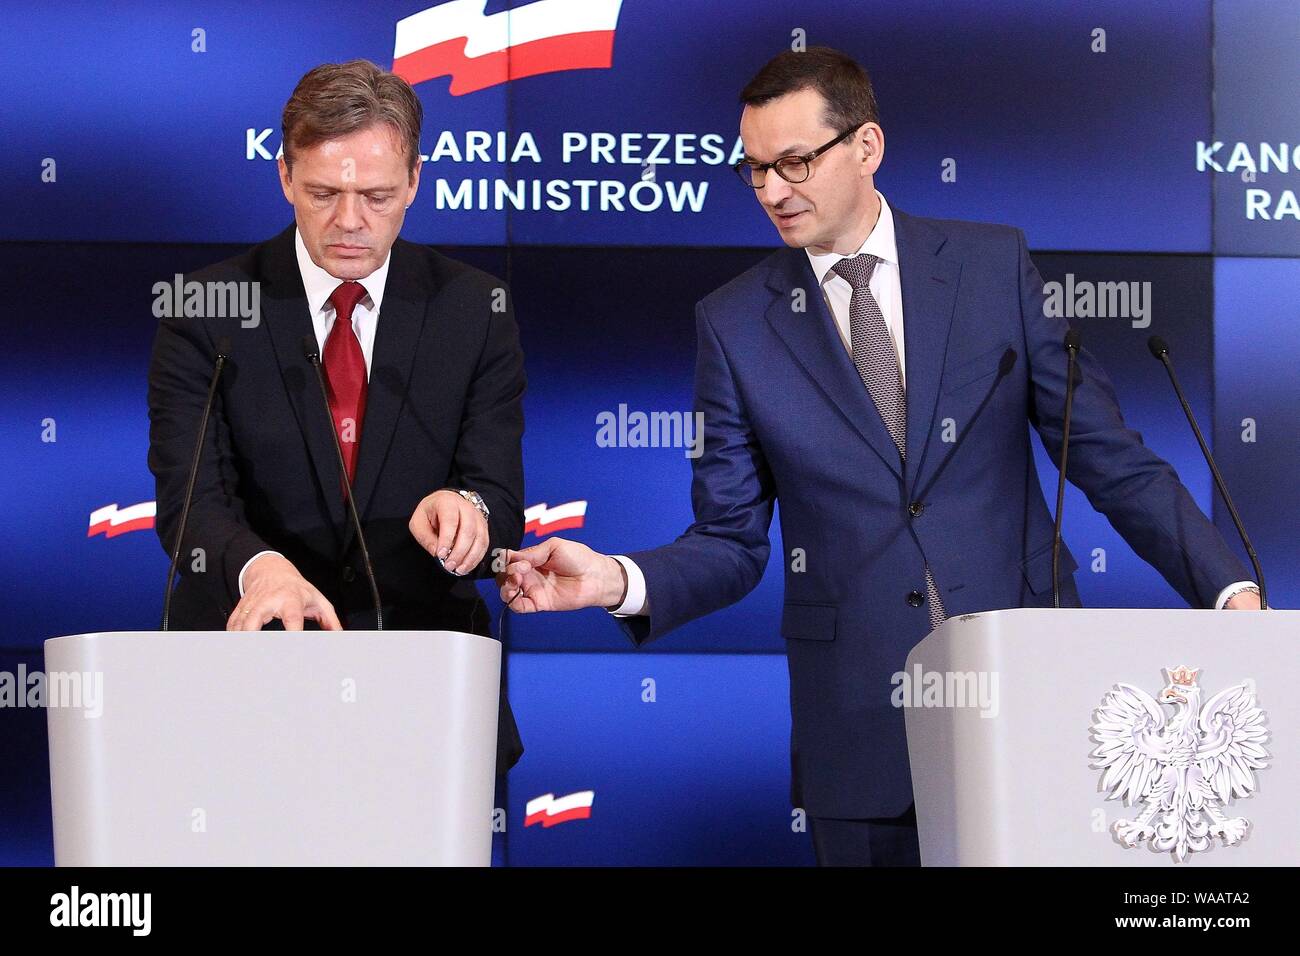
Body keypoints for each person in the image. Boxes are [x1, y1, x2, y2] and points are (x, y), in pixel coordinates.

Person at [497, 47, 1260, 864]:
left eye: (793, 162)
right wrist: (617, 579)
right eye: (753, 170)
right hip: (858, 730)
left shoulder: (989, 265)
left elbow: (1108, 457)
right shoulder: (735, 323)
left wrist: (1230, 592)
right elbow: (729, 540)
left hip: (1028, 692)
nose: (772, 191)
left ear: (867, 147)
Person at [148, 59, 526, 775]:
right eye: (323, 193)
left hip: (424, 696)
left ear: (415, 181)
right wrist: (260, 570)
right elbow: (189, 500)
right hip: (244, 690)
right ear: (285, 177)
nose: (349, 221)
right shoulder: (205, 308)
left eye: (377, 195)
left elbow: (499, 495)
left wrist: (467, 507)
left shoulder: (475, 311)